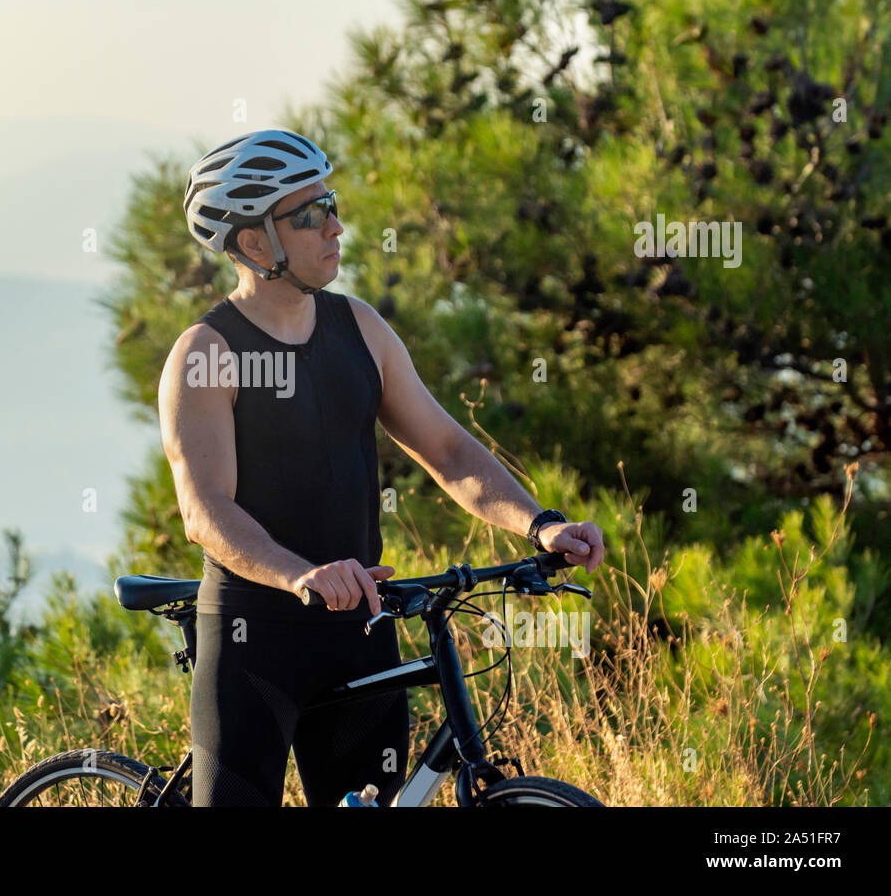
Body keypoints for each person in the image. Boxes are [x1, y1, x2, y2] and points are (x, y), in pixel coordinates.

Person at [159, 127, 606, 807]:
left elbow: (450, 451)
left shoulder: (360, 329)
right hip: (255, 643)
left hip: (363, 630)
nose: (336, 227)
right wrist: (300, 575)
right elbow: (205, 511)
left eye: (330, 203)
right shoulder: (206, 352)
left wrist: (541, 525)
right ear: (254, 243)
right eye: (310, 215)